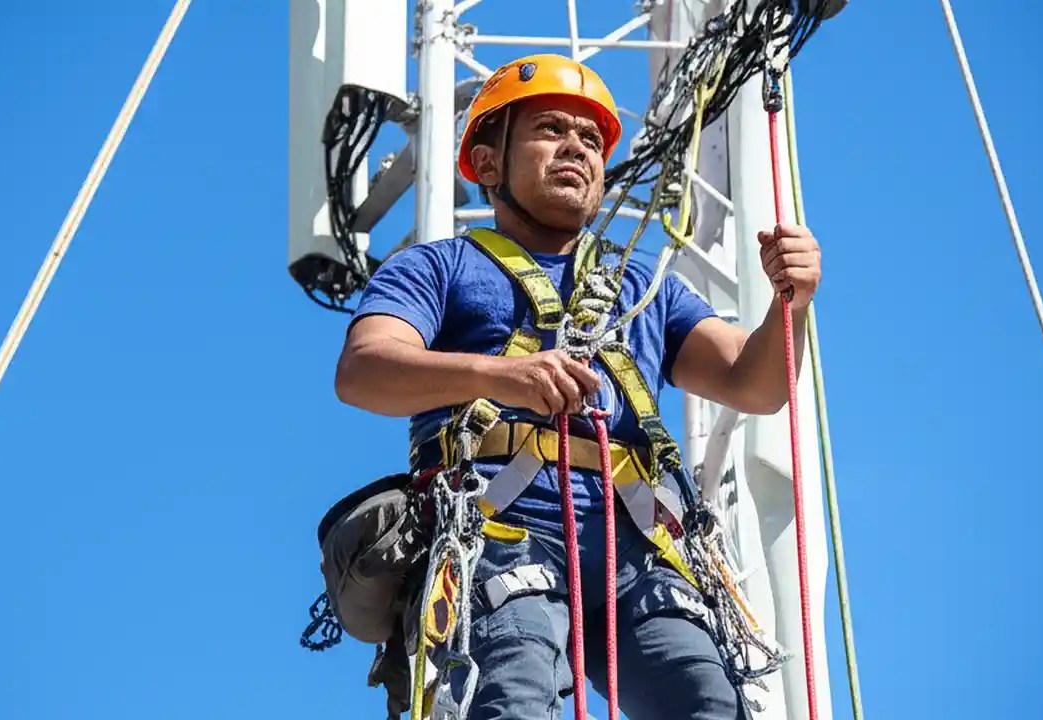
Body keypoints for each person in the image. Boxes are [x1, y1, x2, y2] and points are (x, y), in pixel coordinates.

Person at [333, 53, 821, 720]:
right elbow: (364, 369)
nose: (576, 147)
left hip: (635, 546)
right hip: (501, 531)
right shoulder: (440, 266)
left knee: (709, 703)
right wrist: (501, 376)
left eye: (591, 138)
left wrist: (791, 303)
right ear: (487, 164)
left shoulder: (643, 285)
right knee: (514, 691)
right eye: (550, 130)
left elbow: (754, 384)